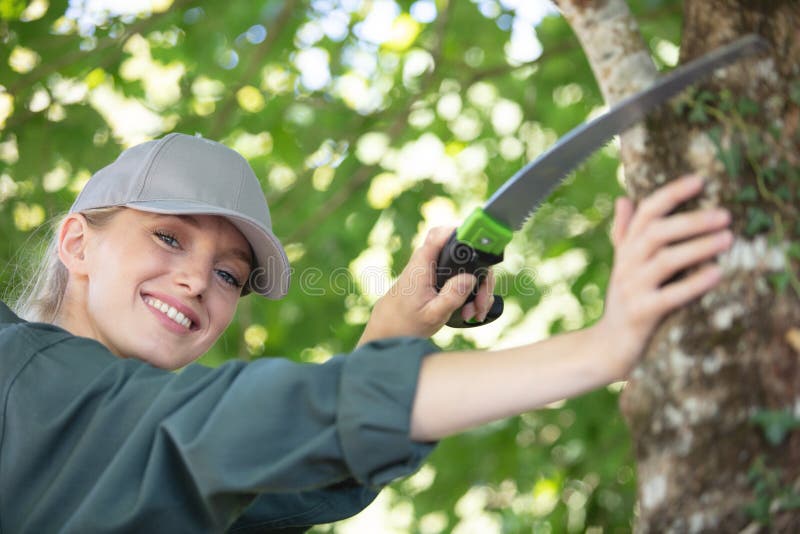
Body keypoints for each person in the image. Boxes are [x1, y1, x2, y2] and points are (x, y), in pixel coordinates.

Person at [0, 132, 733, 533]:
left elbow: (311, 469)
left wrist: (392, 334)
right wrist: (601, 348)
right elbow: (231, 421)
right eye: (168, 237)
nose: (197, 280)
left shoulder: (154, 472)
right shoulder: (20, 367)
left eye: (228, 274)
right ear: (77, 243)